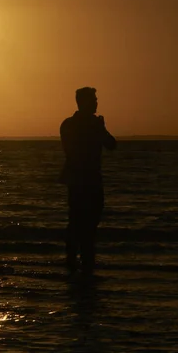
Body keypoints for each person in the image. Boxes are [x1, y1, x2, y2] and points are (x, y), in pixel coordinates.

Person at [59, 87, 116, 275]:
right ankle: (82, 261)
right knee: (85, 222)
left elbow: (110, 145)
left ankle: (76, 260)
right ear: (84, 102)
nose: (96, 102)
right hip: (86, 180)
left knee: (78, 221)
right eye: (93, 99)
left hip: (79, 179)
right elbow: (110, 144)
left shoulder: (69, 124)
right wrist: (100, 128)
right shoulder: (84, 125)